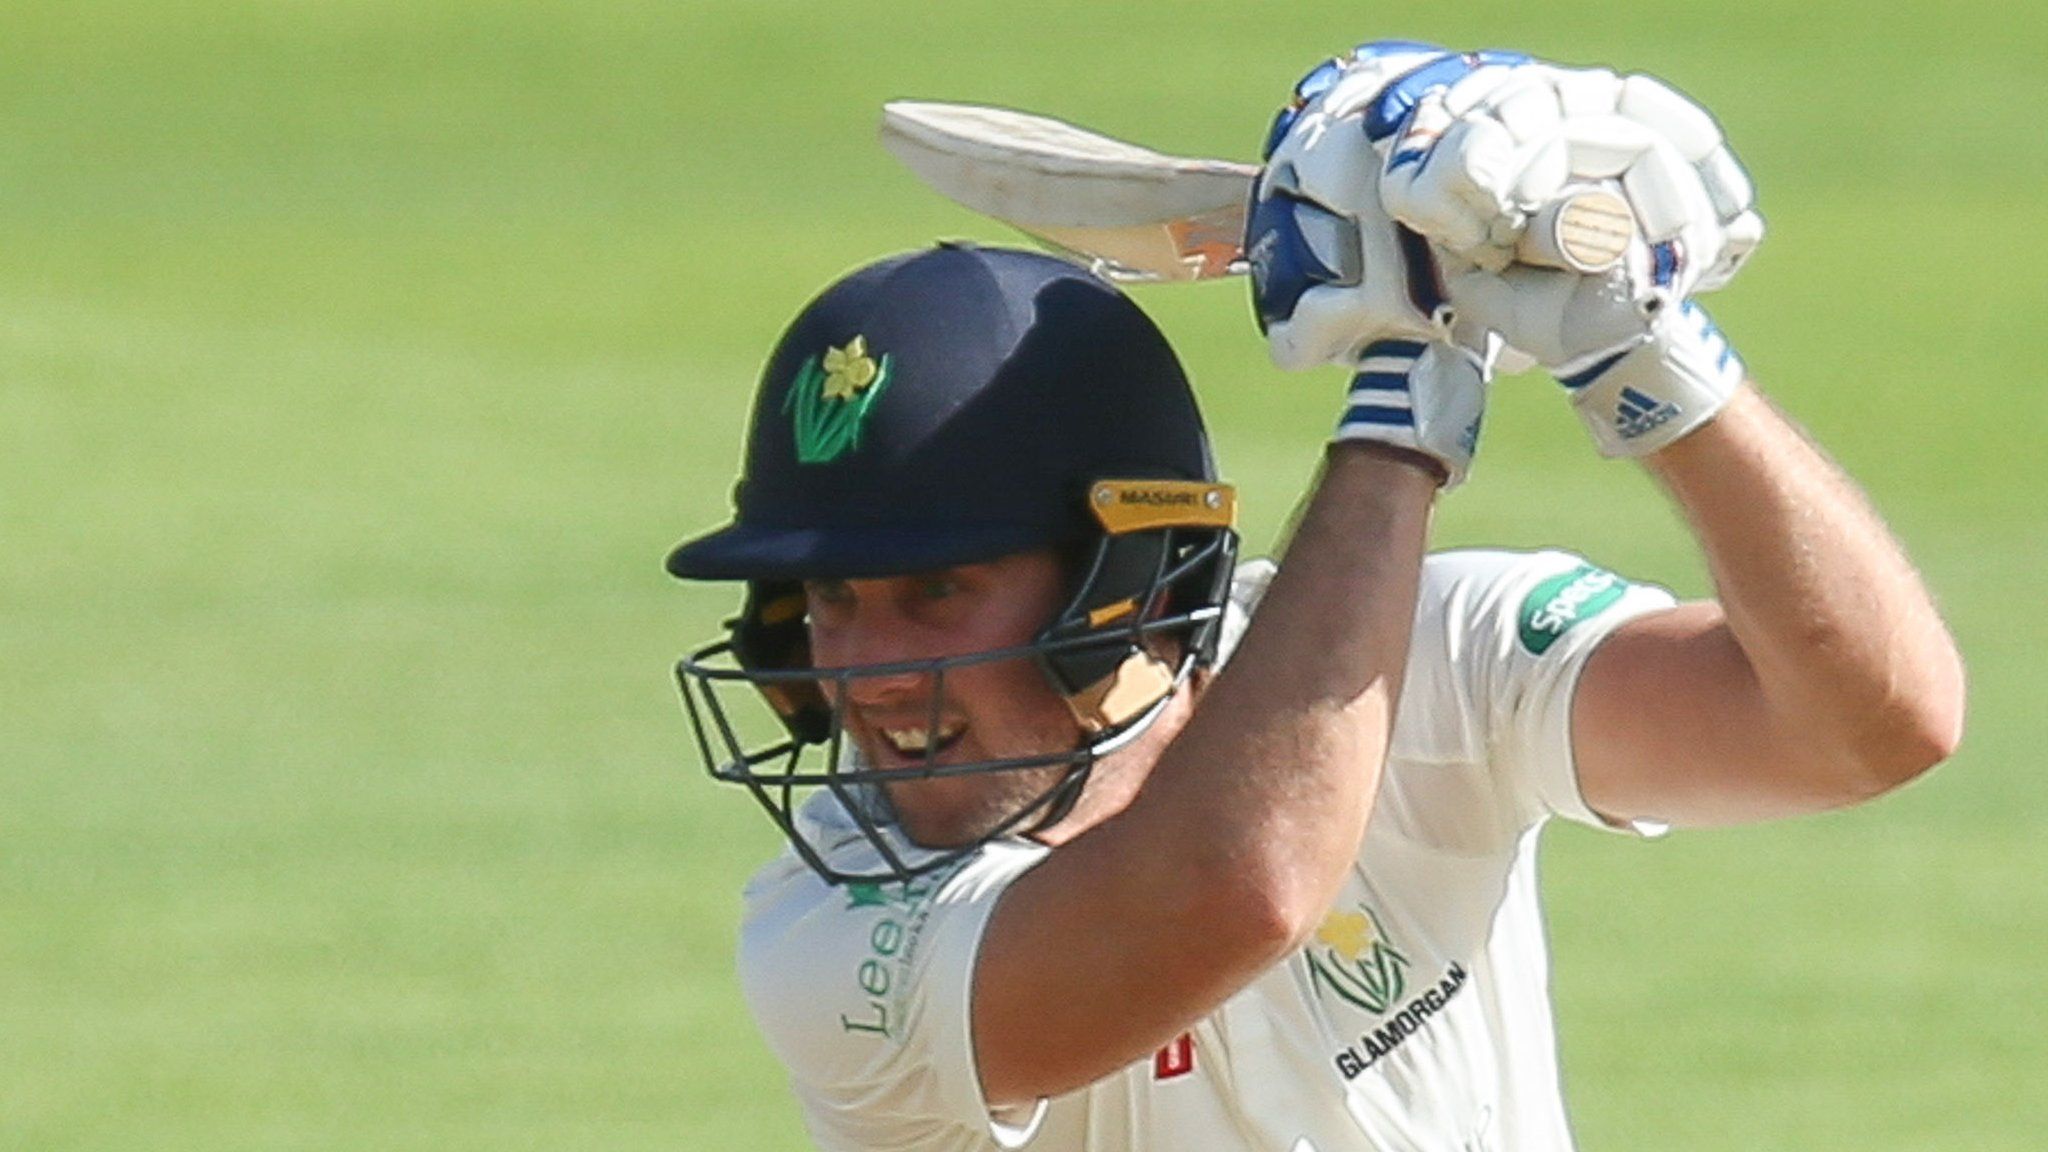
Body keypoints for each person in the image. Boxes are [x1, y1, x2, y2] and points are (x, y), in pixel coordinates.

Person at [663, 47, 1965, 1152]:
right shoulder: (834, 933)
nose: (867, 670)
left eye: (935, 591)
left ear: (1129, 579)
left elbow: (1873, 727)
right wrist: (1404, 400)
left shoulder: (1439, 663)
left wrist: (1645, 351)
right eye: (833, 597)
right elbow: (1240, 887)